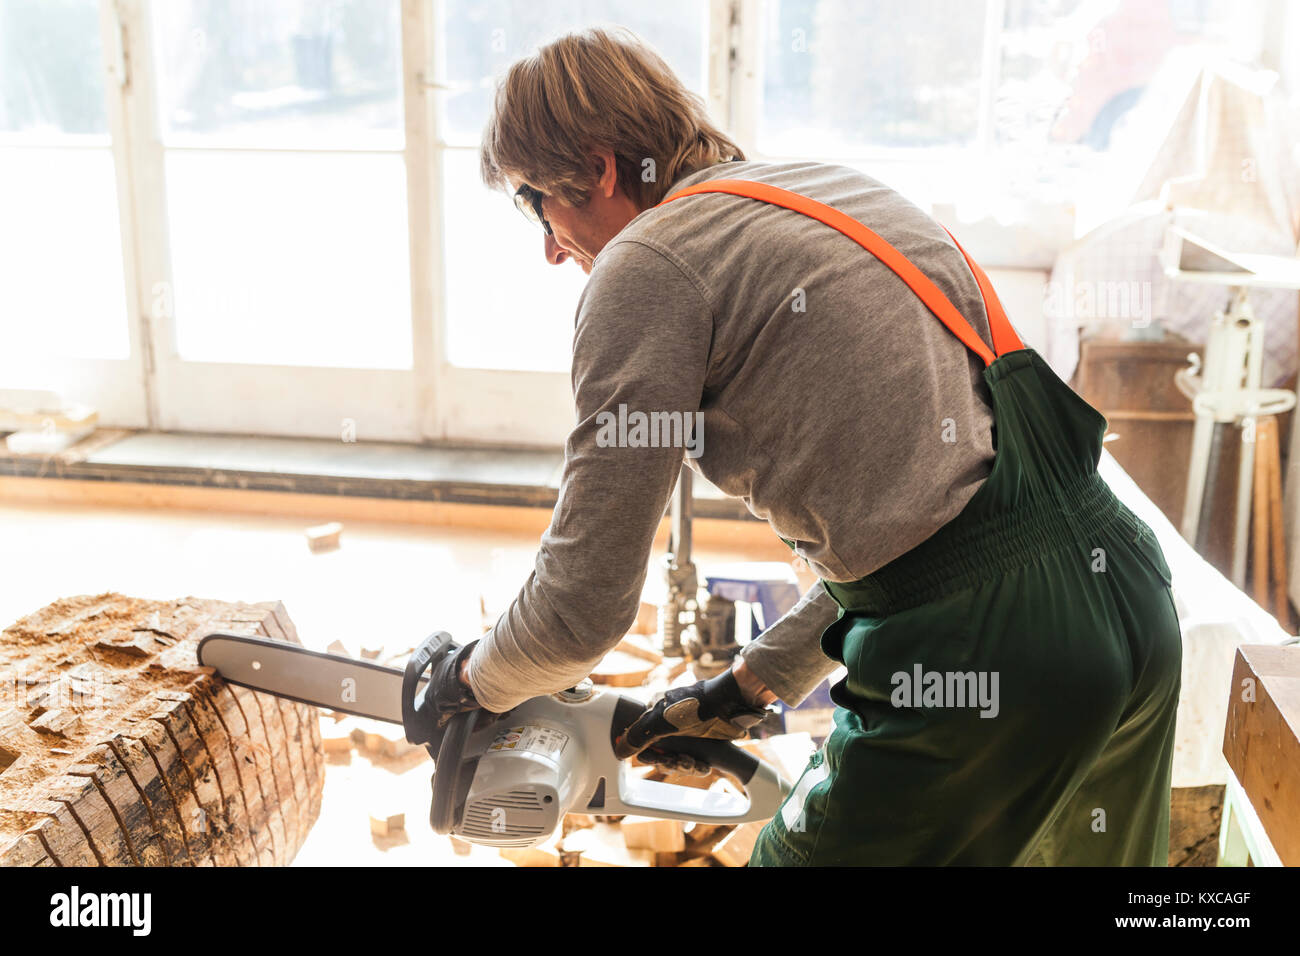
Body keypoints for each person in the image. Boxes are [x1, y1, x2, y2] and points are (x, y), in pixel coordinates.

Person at [425, 26, 1182, 865]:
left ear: (601, 168)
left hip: (982, 650)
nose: (548, 246)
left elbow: (583, 608)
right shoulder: (824, 192)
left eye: (537, 201)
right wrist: (750, 685)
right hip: (1130, 599)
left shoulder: (645, 264)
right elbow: (943, 533)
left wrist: (469, 681)